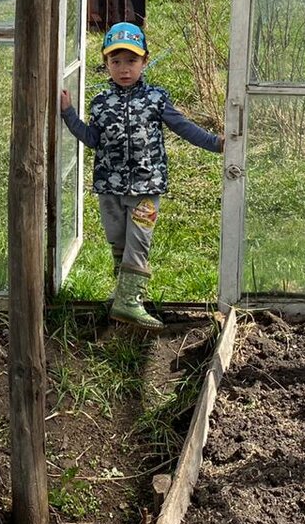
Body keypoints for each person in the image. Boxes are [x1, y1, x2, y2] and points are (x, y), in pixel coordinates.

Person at [60, 21, 224, 330]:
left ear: (145, 61)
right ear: (106, 63)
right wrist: (69, 113)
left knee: (139, 241)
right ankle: (122, 297)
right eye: (116, 61)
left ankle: (130, 302)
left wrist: (216, 143)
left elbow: (183, 127)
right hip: (109, 188)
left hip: (146, 189)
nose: (124, 69)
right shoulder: (101, 103)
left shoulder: (156, 99)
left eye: (131, 61)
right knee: (119, 243)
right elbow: (92, 138)